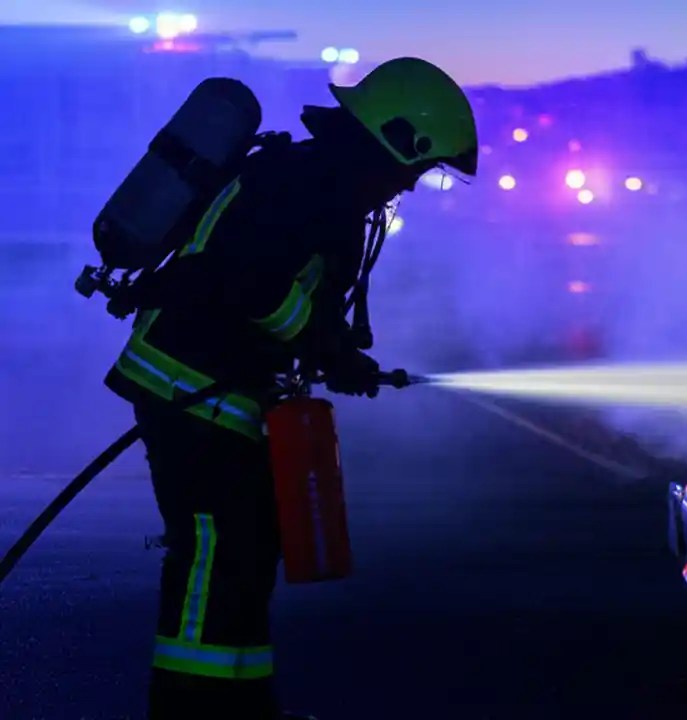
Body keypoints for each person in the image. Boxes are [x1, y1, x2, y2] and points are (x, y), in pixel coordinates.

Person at [102, 58, 478, 719]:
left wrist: (330, 350)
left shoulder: (320, 181)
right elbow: (251, 284)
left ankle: (241, 706)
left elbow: (282, 289)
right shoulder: (311, 186)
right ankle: (188, 709)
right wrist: (325, 345)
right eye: (418, 168)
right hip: (193, 384)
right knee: (217, 547)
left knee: (247, 549)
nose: (413, 186)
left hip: (217, 389)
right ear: (395, 140)